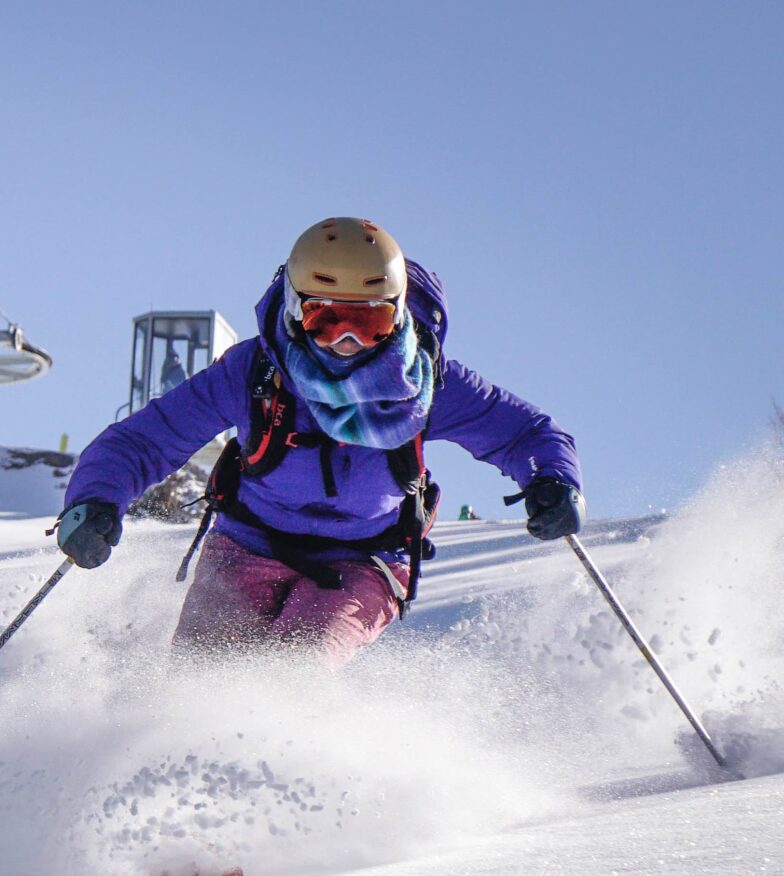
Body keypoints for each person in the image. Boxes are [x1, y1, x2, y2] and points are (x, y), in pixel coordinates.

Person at [56, 217, 583, 668]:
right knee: (199, 682)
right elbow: (143, 440)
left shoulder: (428, 384)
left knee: (294, 672)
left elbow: (528, 433)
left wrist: (553, 481)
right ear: (295, 308)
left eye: (371, 322)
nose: (347, 344)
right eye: (326, 319)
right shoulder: (255, 372)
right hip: (246, 545)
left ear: (397, 313)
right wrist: (96, 497)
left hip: (364, 560)